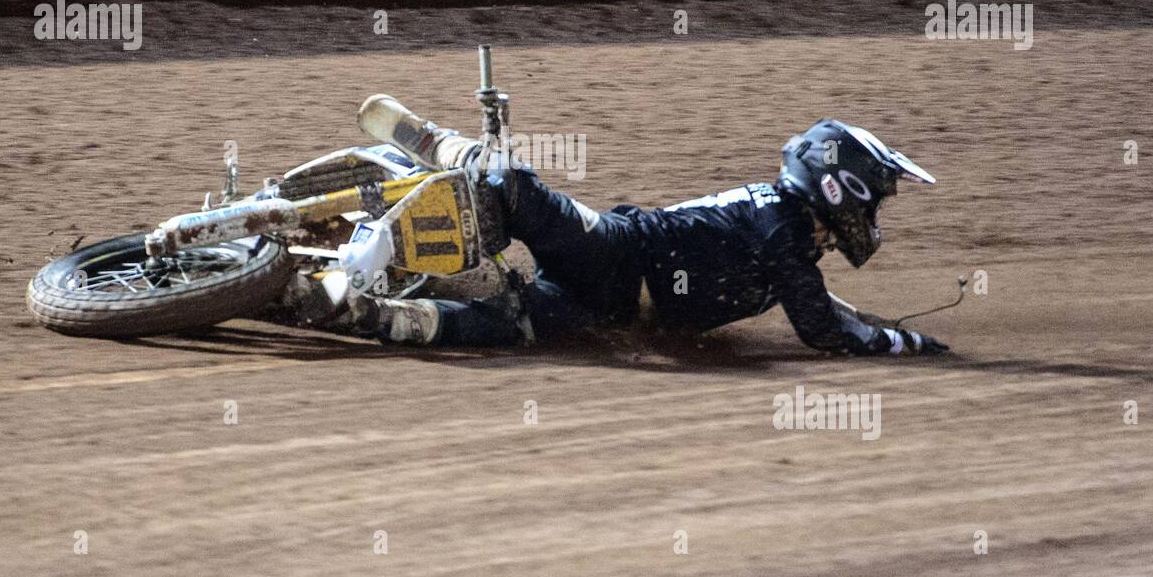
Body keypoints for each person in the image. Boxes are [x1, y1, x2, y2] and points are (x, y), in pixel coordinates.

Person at [351, 96, 949, 356]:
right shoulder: (784, 230)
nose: (873, 215)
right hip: (616, 255)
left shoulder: (786, 233)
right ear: (843, 186)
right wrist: (904, 343)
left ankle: (386, 318)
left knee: (509, 326)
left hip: (610, 302)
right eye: (876, 199)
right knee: (516, 189)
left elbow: (818, 302)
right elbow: (820, 328)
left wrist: (871, 324)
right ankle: (437, 143)